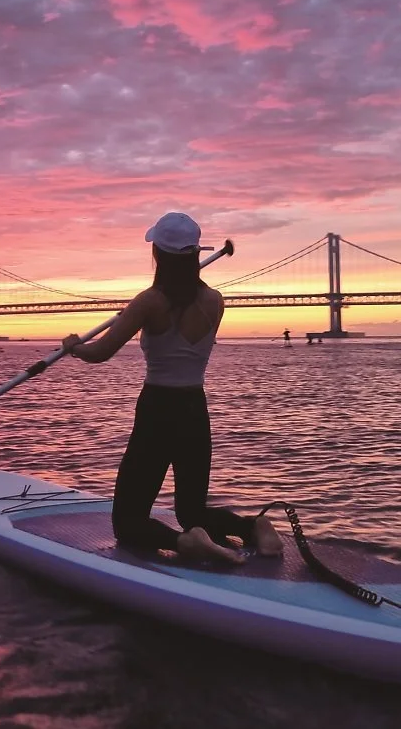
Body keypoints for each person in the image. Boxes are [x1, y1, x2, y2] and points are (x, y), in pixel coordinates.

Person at [61, 212, 283, 565]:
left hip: (158, 408)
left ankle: (186, 543)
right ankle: (252, 526)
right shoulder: (215, 301)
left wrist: (74, 346)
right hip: (195, 408)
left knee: (128, 520)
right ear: (195, 254)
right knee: (192, 511)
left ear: (159, 255)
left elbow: (100, 352)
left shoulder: (149, 302)